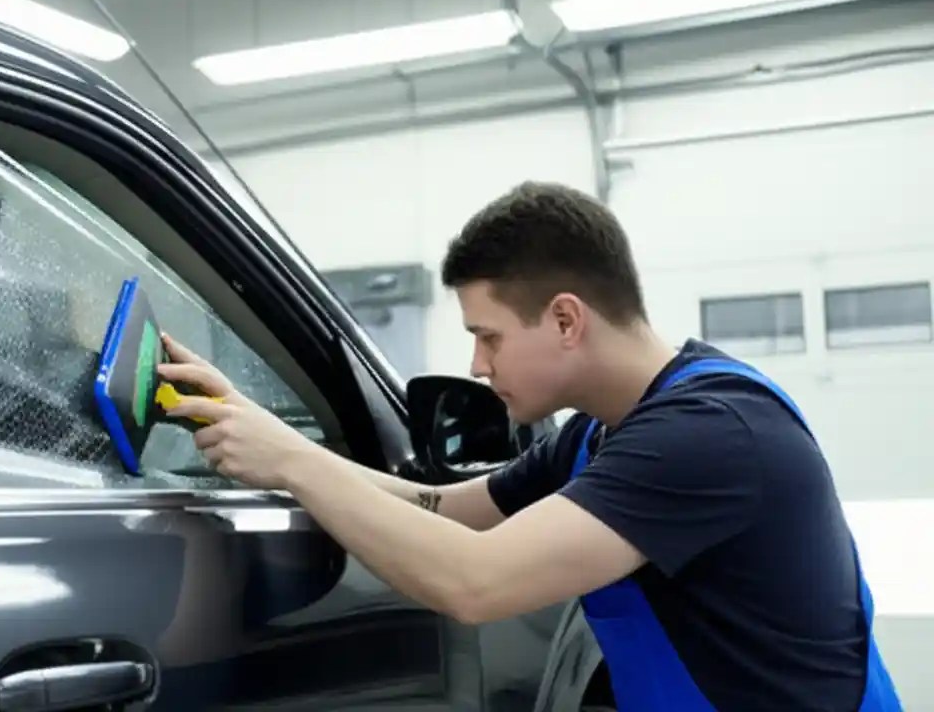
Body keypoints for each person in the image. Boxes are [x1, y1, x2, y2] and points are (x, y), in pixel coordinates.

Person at [158, 181, 902, 712]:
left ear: (566, 320)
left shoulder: (708, 437)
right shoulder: (602, 434)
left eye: (488, 337)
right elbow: (446, 509)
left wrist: (289, 462)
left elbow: (475, 581)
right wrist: (264, 428)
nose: (478, 366)